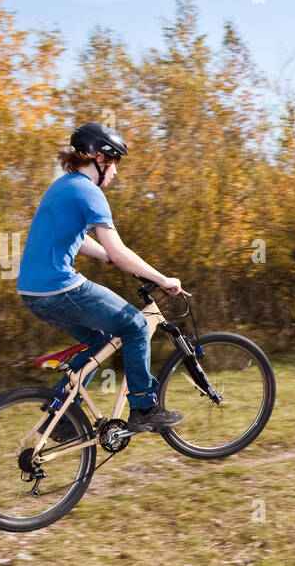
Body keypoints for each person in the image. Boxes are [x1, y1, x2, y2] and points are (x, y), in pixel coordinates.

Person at [16, 122, 183, 433]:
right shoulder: (88, 191)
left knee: (98, 342)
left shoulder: (63, 186)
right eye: (115, 162)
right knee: (134, 325)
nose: (116, 172)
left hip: (32, 292)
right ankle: (144, 407)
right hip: (58, 287)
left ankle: (61, 416)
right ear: (99, 158)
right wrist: (162, 279)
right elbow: (120, 253)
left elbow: (77, 239)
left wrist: (105, 255)